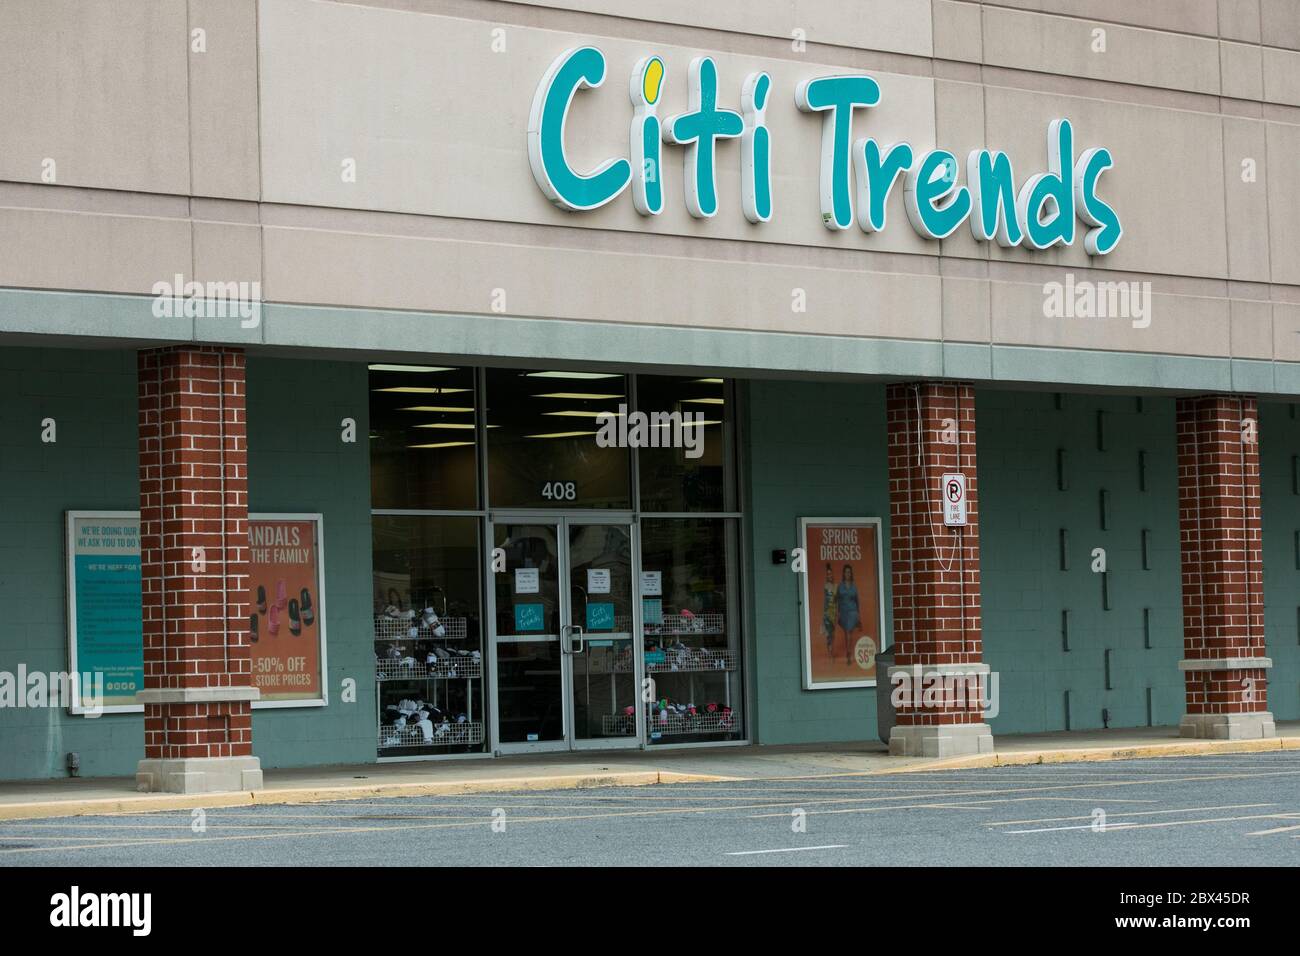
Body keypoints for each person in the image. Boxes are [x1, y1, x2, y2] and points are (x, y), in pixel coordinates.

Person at [835, 564, 861, 665]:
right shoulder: (840, 586)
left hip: (852, 612)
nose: (847, 574)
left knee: (849, 632)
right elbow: (837, 599)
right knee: (847, 633)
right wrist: (837, 612)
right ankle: (848, 650)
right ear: (844, 573)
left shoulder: (854, 587)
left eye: (849, 572)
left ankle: (849, 653)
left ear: (851, 574)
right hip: (843, 612)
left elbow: (857, 600)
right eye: (846, 572)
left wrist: (858, 614)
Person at [820, 564, 837, 662]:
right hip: (827, 613)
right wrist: (823, 614)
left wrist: (836, 613)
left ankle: (831, 650)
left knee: (832, 634)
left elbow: (836, 601)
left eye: (830, 574)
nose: (829, 576)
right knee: (828, 634)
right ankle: (830, 652)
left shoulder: (835, 586)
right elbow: (825, 601)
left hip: (833, 612)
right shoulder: (826, 586)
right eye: (828, 574)